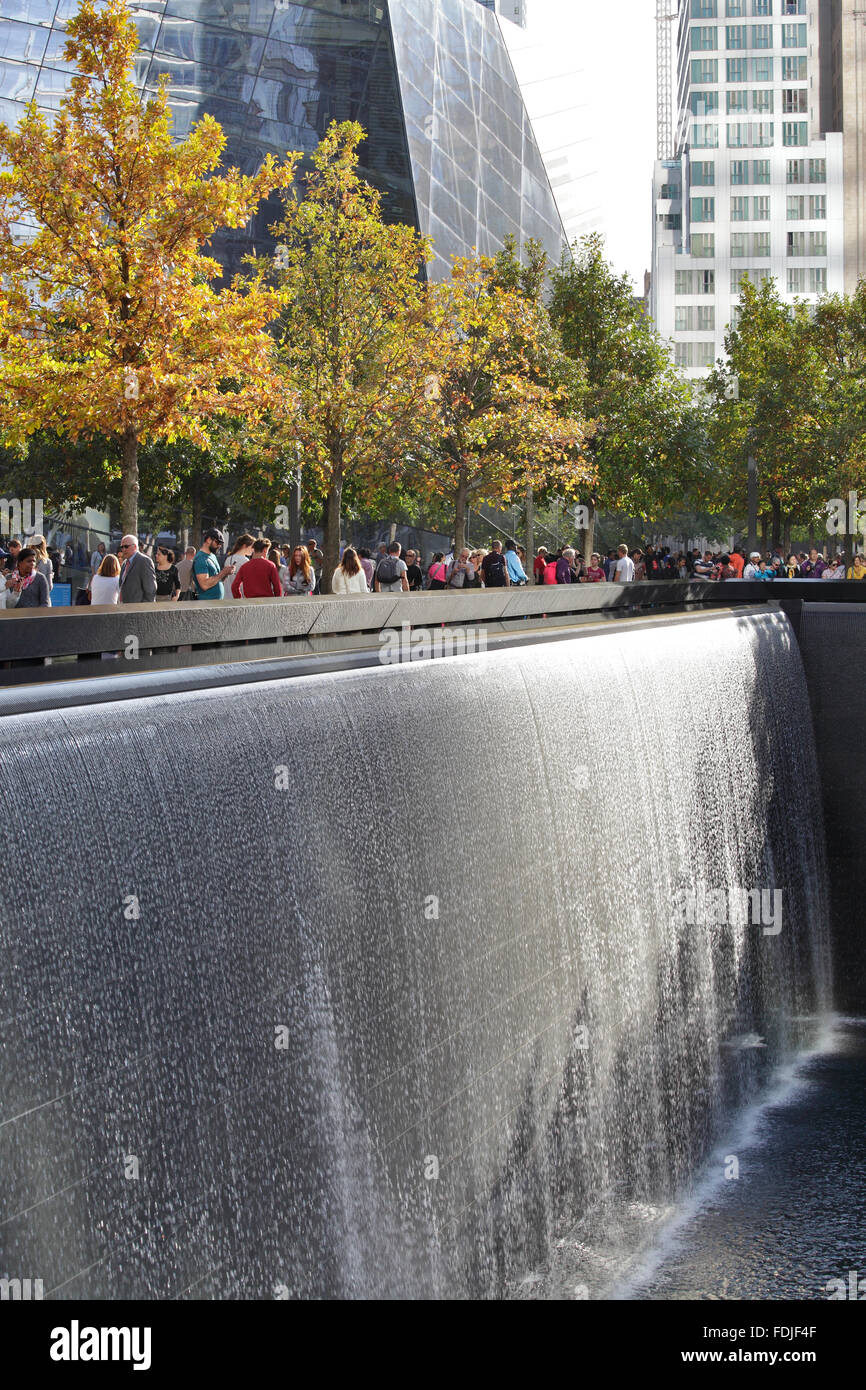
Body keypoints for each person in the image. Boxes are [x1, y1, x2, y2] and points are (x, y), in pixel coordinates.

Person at [192, 529, 232, 601]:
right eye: (218, 542)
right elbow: (204, 585)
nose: (219, 546)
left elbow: (217, 579)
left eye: (221, 544)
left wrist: (226, 573)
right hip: (206, 604)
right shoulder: (201, 558)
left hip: (215, 603)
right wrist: (223, 573)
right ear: (209, 540)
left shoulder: (212, 555)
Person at [118, 534, 157, 602]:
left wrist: (144, 609)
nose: (123, 549)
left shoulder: (144, 561)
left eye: (126, 546)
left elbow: (150, 589)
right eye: (122, 547)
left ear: (135, 546)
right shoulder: (124, 563)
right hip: (125, 608)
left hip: (139, 609)